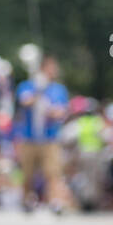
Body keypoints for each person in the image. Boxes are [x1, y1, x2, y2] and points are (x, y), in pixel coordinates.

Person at [13, 55, 70, 213]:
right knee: (27, 173)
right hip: (29, 137)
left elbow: (61, 112)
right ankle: (26, 200)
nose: (55, 71)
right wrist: (39, 90)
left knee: (52, 172)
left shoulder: (59, 89)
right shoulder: (27, 86)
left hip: (50, 138)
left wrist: (51, 111)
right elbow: (24, 102)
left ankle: (54, 201)